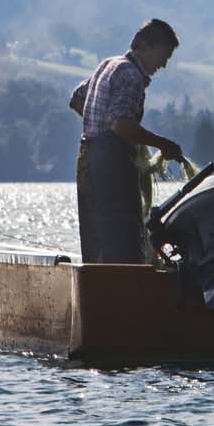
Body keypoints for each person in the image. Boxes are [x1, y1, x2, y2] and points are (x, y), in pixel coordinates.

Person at [69, 19, 184, 263]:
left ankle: (98, 296)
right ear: (145, 47)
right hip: (110, 169)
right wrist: (162, 144)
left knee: (96, 241)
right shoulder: (131, 76)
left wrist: (98, 124)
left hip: (87, 161)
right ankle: (126, 296)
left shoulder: (109, 65)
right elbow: (121, 124)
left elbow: (77, 98)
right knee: (123, 243)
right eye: (163, 55)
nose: (163, 65)